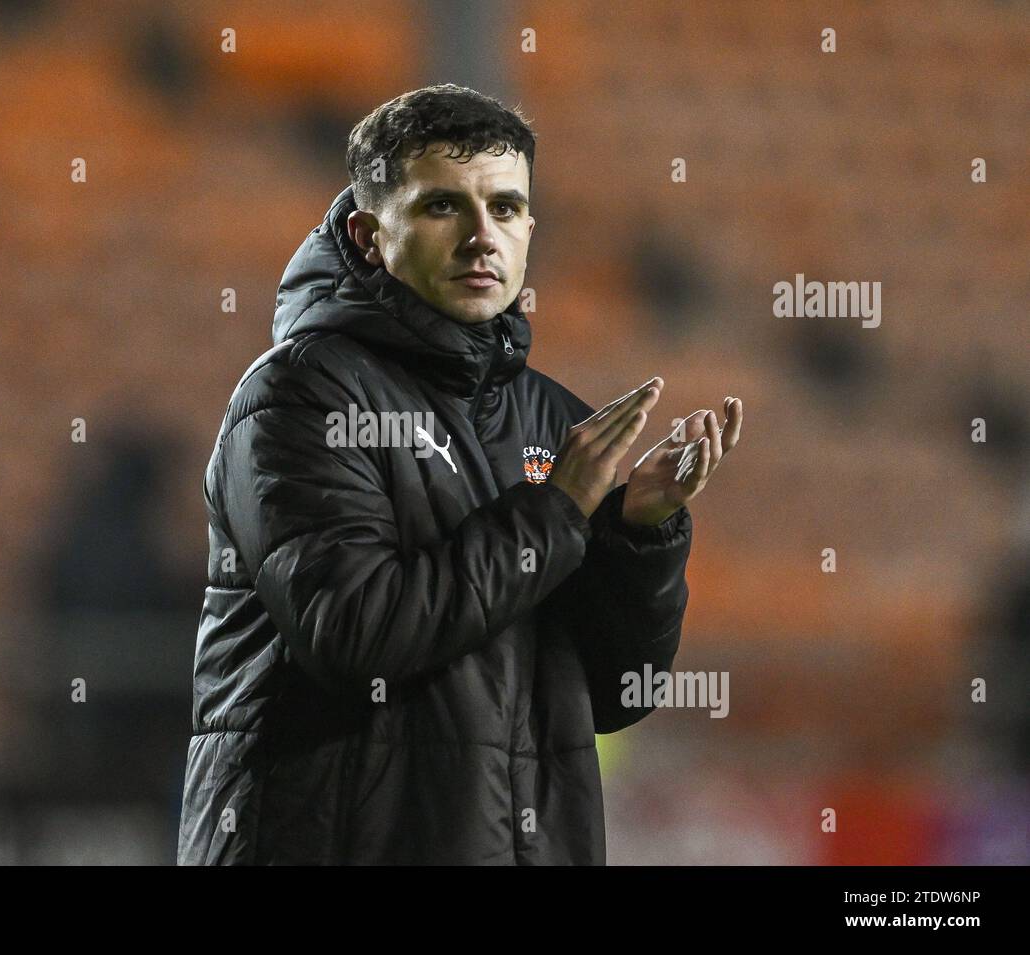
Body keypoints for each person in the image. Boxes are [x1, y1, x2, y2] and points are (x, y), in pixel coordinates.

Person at [178, 84, 742, 864]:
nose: (484, 237)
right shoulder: (298, 398)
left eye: (506, 209)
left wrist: (635, 537)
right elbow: (357, 628)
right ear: (369, 235)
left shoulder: (552, 422)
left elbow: (614, 695)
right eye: (445, 207)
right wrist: (557, 512)